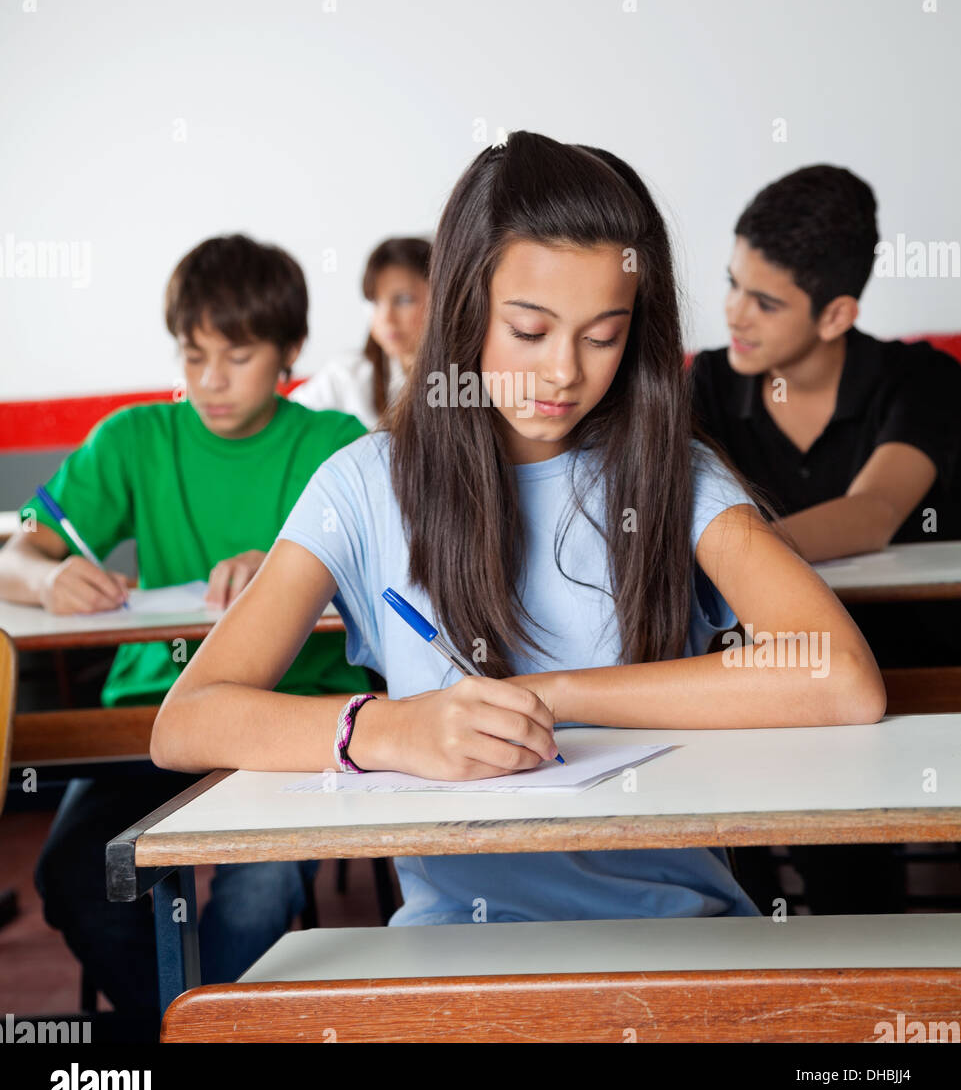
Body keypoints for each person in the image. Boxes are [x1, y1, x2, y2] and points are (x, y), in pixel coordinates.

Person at [152, 133, 884, 929]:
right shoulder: (366, 485)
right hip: (456, 951)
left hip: (679, 933)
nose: (564, 371)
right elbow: (188, 722)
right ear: (465, 308)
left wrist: (552, 695)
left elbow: (842, 678)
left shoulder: (673, 475)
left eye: (602, 335)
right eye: (529, 331)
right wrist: (393, 729)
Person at [0, 234, 368, 1030]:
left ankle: (187, 1028)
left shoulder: (333, 445)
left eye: (235, 356)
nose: (208, 382)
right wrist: (44, 575)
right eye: (192, 355)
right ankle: (188, 1026)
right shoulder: (134, 439)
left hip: (288, 723)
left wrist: (285, 569)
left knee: (261, 886)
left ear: (289, 351)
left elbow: (390, 571)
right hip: (148, 723)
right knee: (71, 878)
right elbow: (17, 544)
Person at [691, 164, 961, 913]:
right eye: (732, 283)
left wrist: (738, 554)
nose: (733, 313)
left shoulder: (916, 379)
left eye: (765, 301)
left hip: (906, 663)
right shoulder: (706, 387)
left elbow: (872, 510)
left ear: (836, 314)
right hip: (769, 667)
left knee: (847, 863)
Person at [293, 237, 431, 428]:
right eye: (375, 302)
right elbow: (287, 422)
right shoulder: (346, 375)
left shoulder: (467, 379)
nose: (386, 318)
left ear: (441, 299)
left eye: (403, 300)